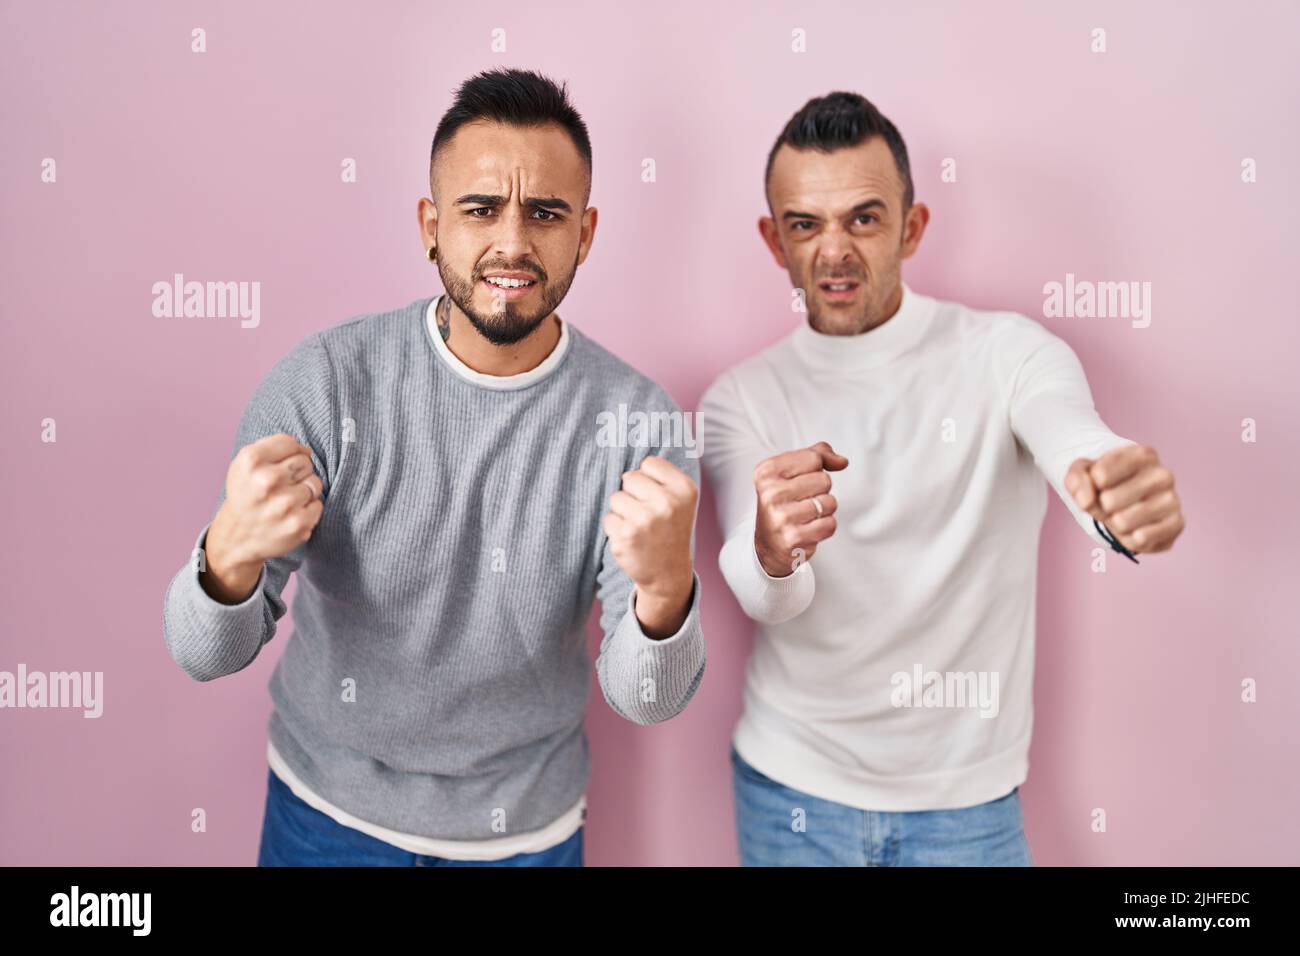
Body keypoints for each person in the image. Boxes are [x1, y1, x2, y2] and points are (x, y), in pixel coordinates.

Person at [163, 68, 706, 867]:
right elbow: (202, 652)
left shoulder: (638, 422)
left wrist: (666, 593)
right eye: (481, 208)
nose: (512, 243)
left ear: (585, 235)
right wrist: (226, 559)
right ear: (431, 224)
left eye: (545, 213)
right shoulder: (325, 382)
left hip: (528, 835)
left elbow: (648, 699)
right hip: (325, 819)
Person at [698, 91, 1185, 866]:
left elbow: (1075, 445)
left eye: (863, 217)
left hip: (966, 807)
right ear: (773, 239)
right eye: (805, 224)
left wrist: (1115, 501)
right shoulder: (740, 398)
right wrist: (771, 548)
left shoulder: (1008, 355)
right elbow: (765, 599)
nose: (833, 252)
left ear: (912, 227)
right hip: (792, 792)